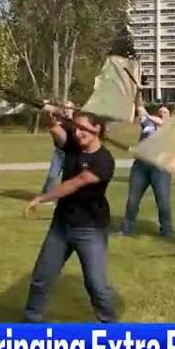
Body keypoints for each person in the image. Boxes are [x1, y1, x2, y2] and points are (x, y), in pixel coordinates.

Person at [24, 110, 119, 323]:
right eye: (75, 128)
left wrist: (42, 198)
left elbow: (74, 183)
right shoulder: (73, 146)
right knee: (42, 276)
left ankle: (110, 326)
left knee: (96, 284)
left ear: (97, 129)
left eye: (83, 129)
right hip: (61, 224)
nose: (77, 133)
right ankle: (31, 321)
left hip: (90, 229)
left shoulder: (104, 161)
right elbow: (56, 130)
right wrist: (49, 116)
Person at [120, 100, 173, 236]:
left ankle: (166, 230)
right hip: (141, 165)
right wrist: (137, 98)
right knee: (132, 200)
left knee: (163, 201)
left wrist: (149, 116)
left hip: (160, 167)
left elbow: (161, 123)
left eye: (165, 112)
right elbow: (140, 109)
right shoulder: (148, 125)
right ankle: (127, 229)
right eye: (160, 111)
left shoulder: (171, 126)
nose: (162, 114)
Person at [40, 100, 76, 197]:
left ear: (73, 110)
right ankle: (46, 195)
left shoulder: (77, 121)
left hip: (73, 153)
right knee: (53, 175)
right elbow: (50, 121)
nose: (66, 110)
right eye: (64, 108)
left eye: (69, 108)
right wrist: (48, 109)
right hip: (59, 153)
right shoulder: (59, 120)